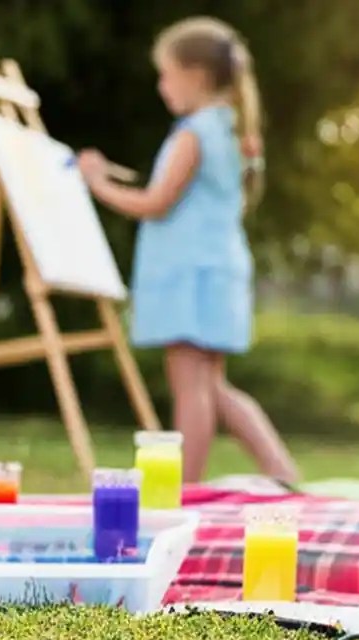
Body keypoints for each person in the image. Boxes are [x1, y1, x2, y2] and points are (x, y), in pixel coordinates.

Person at [79, 17, 298, 488]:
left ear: (195, 75)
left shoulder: (192, 134)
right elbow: (189, 198)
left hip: (191, 275)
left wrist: (97, 185)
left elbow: (156, 204)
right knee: (212, 387)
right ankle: (282, 473)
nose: (161, 87)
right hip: (217, 270)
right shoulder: (231, 132)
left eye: (166, 75)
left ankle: (188, 490)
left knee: (191, 387)